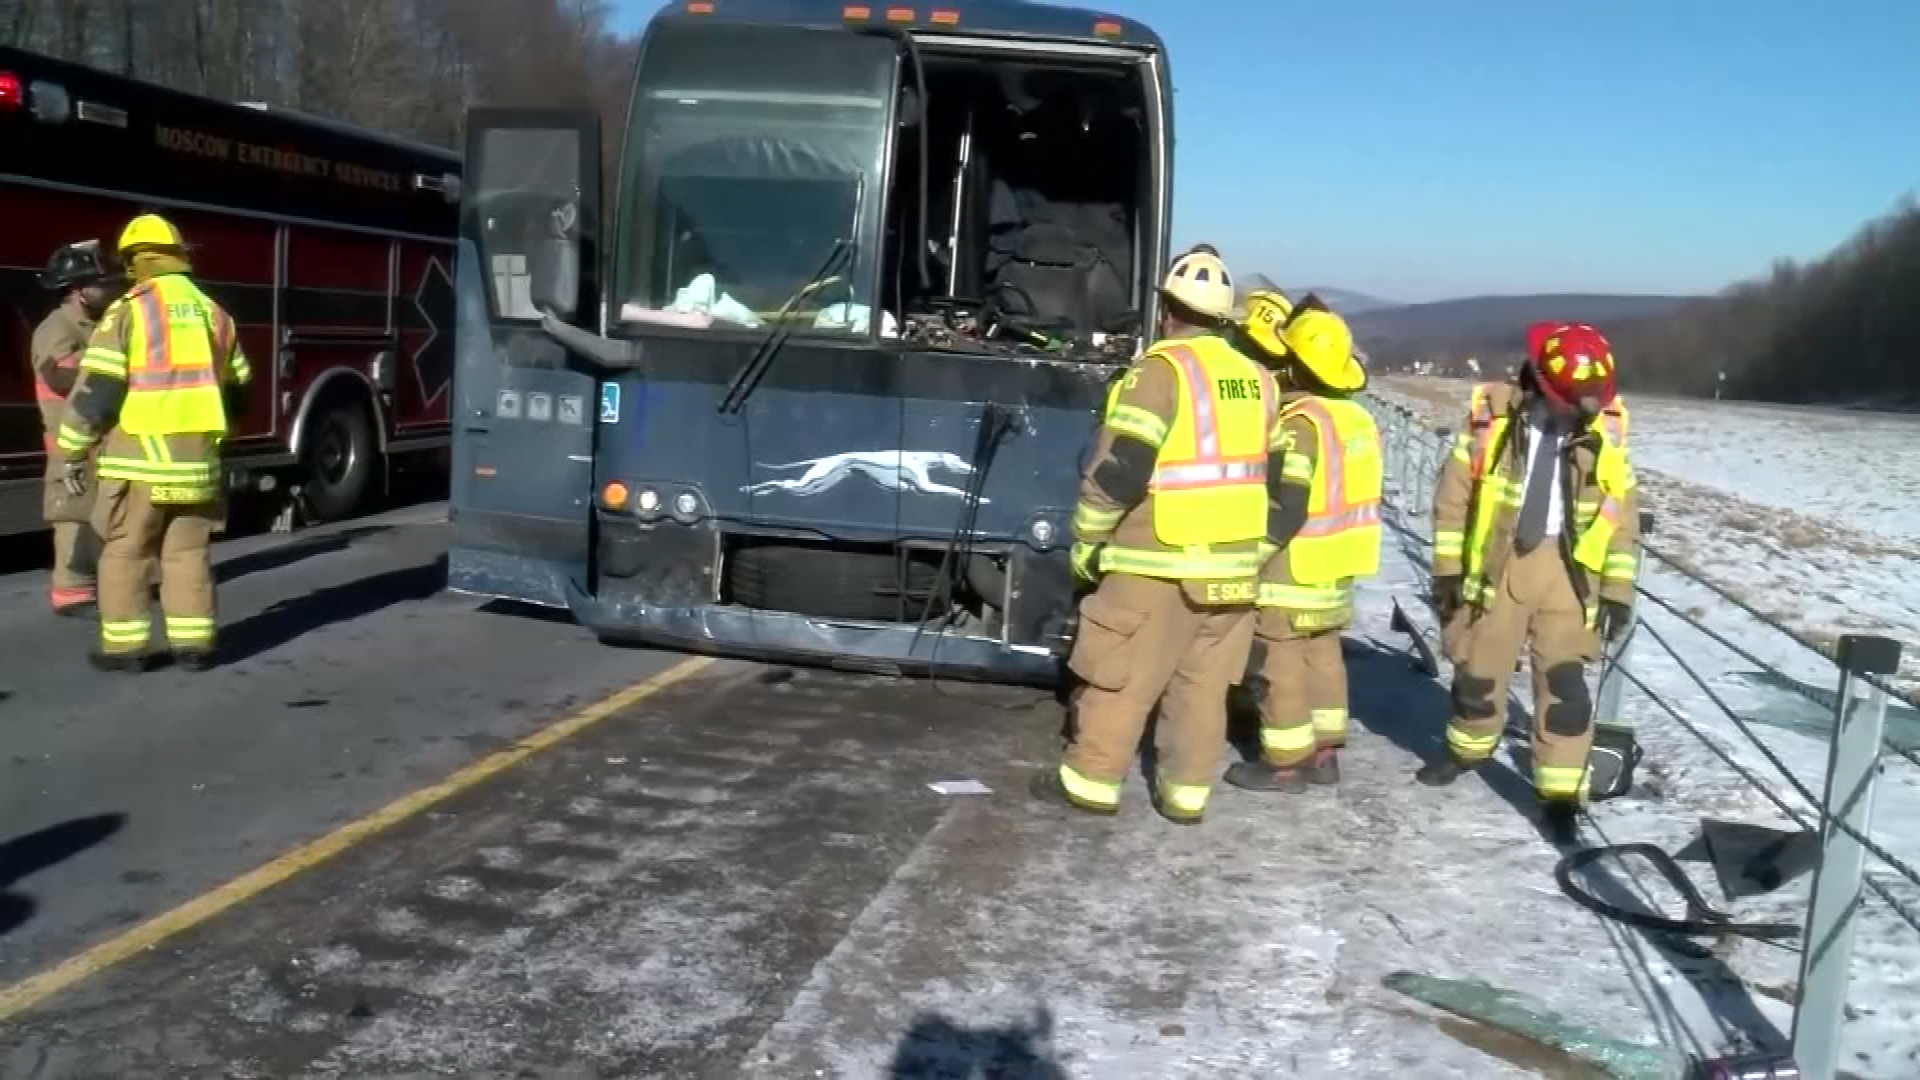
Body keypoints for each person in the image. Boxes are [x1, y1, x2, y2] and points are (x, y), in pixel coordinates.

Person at [1031, 249, 1277, 824]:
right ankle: (1186, 796)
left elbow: (1119, 469)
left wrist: (1088, 543)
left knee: (1119, 677)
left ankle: (1091, 781)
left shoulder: (1161, 372)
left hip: (1159, 561)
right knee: (1202, 691)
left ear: (1167, 311)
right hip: (1235, 571)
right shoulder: (1259, 380)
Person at [1416, 322, 1638, 843]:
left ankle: (1560, 796)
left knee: (1564, 690)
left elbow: (1621, 516)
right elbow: (1452, 501)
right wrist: (1448, 570)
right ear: (1540, 381)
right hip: (1500, 563)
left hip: (1569, 571)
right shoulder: (1490, 423)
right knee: (1477, 671)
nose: (1577, 412)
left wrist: (1616, 591)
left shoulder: (1604, 429)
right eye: (1568, 400)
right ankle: (1466, 750)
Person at [55, 214, 251, 672]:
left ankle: (125, 649)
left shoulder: (129, 311)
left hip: (140, 463)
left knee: (126, 552)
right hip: (198, 466)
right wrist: (218, 440)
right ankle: (195, 647)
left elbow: (97, 391)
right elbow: (241, 387)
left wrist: (71, 449)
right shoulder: (215, 314)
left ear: (132, 261)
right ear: (179, 255)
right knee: (187, 555)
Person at [1223, 292, 1383, 793]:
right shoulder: (1355, 419)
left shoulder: (1300, 425)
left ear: (1294, 364)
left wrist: (1249, 556)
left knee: (1280, 661)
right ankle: (1324, 752)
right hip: (1339, 563)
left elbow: (1287, 502)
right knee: (1323, 656)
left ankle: (1284, 763)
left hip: (1295, 565)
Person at [31, 241, 118, 615]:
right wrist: (112, 357)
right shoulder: (57, 327)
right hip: (70, 441)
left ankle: (118, 581)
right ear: (78, 288)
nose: (111, 289)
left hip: (101, 438)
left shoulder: (99, 325)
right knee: (74, 514)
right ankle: (72, 592)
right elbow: (63, 375)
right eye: (102, 283)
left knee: (108, 513)